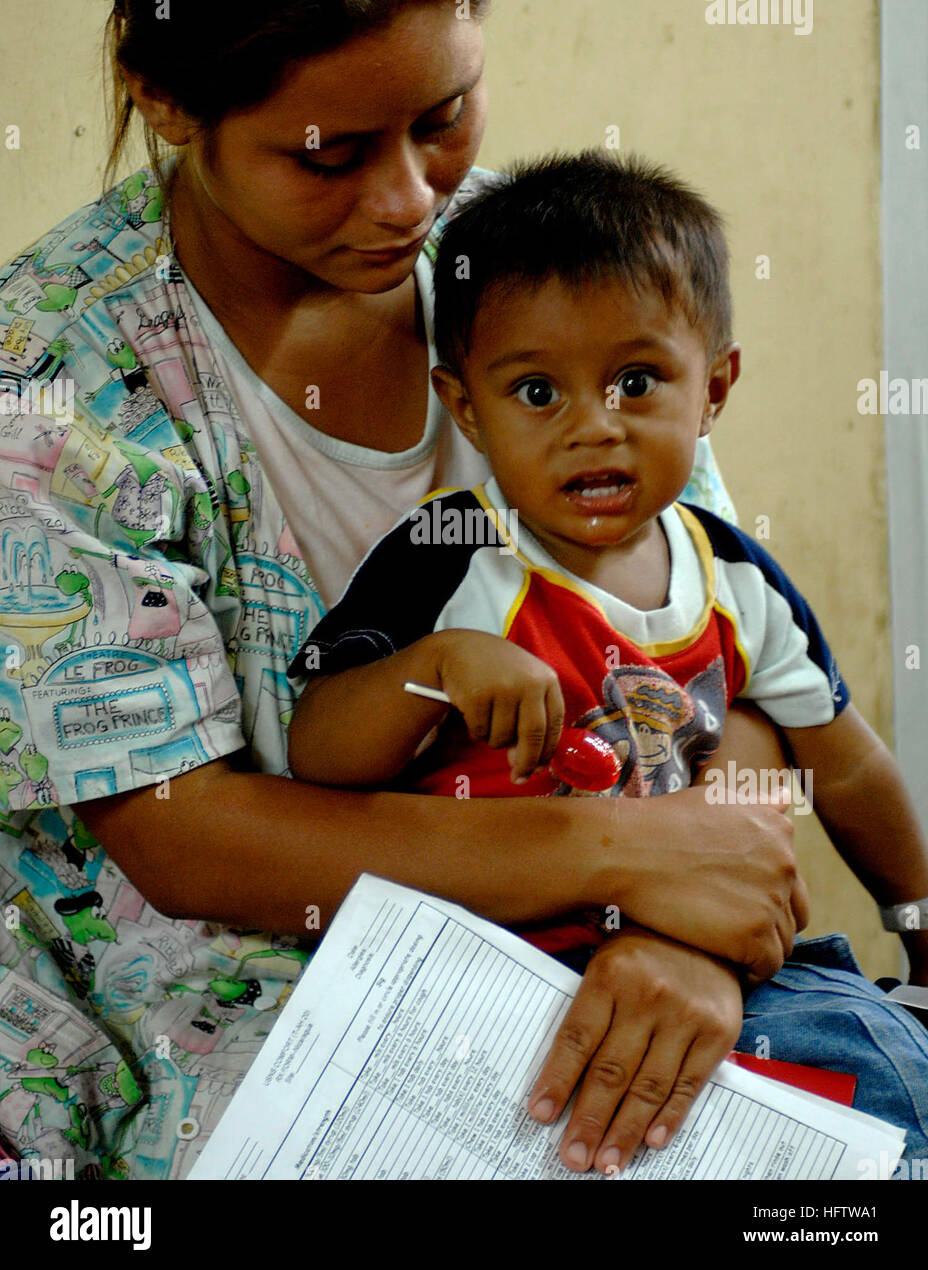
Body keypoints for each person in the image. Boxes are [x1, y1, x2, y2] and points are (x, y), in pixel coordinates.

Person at [0, 0, 833, 1181]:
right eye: (329, 156)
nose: (405, 201)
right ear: (165, 98)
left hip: (602, 926)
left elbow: (733, 638)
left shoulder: (536, 270)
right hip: (235, 995)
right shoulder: (59, 378)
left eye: (442, 121)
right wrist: (628, 855)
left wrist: (690, 936)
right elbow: (183, 831)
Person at [287, 151, 928, 1168]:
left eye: (637, 381)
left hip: (706, 959)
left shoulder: (735, 577)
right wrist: (440, 668)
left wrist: (917, 924)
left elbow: (843, 764)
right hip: (489, 966)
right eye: (536, 390)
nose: (594, 428)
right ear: (466, 408)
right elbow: (316, 750)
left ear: (712, 386)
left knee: (886, 1074)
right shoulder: (453, 555)